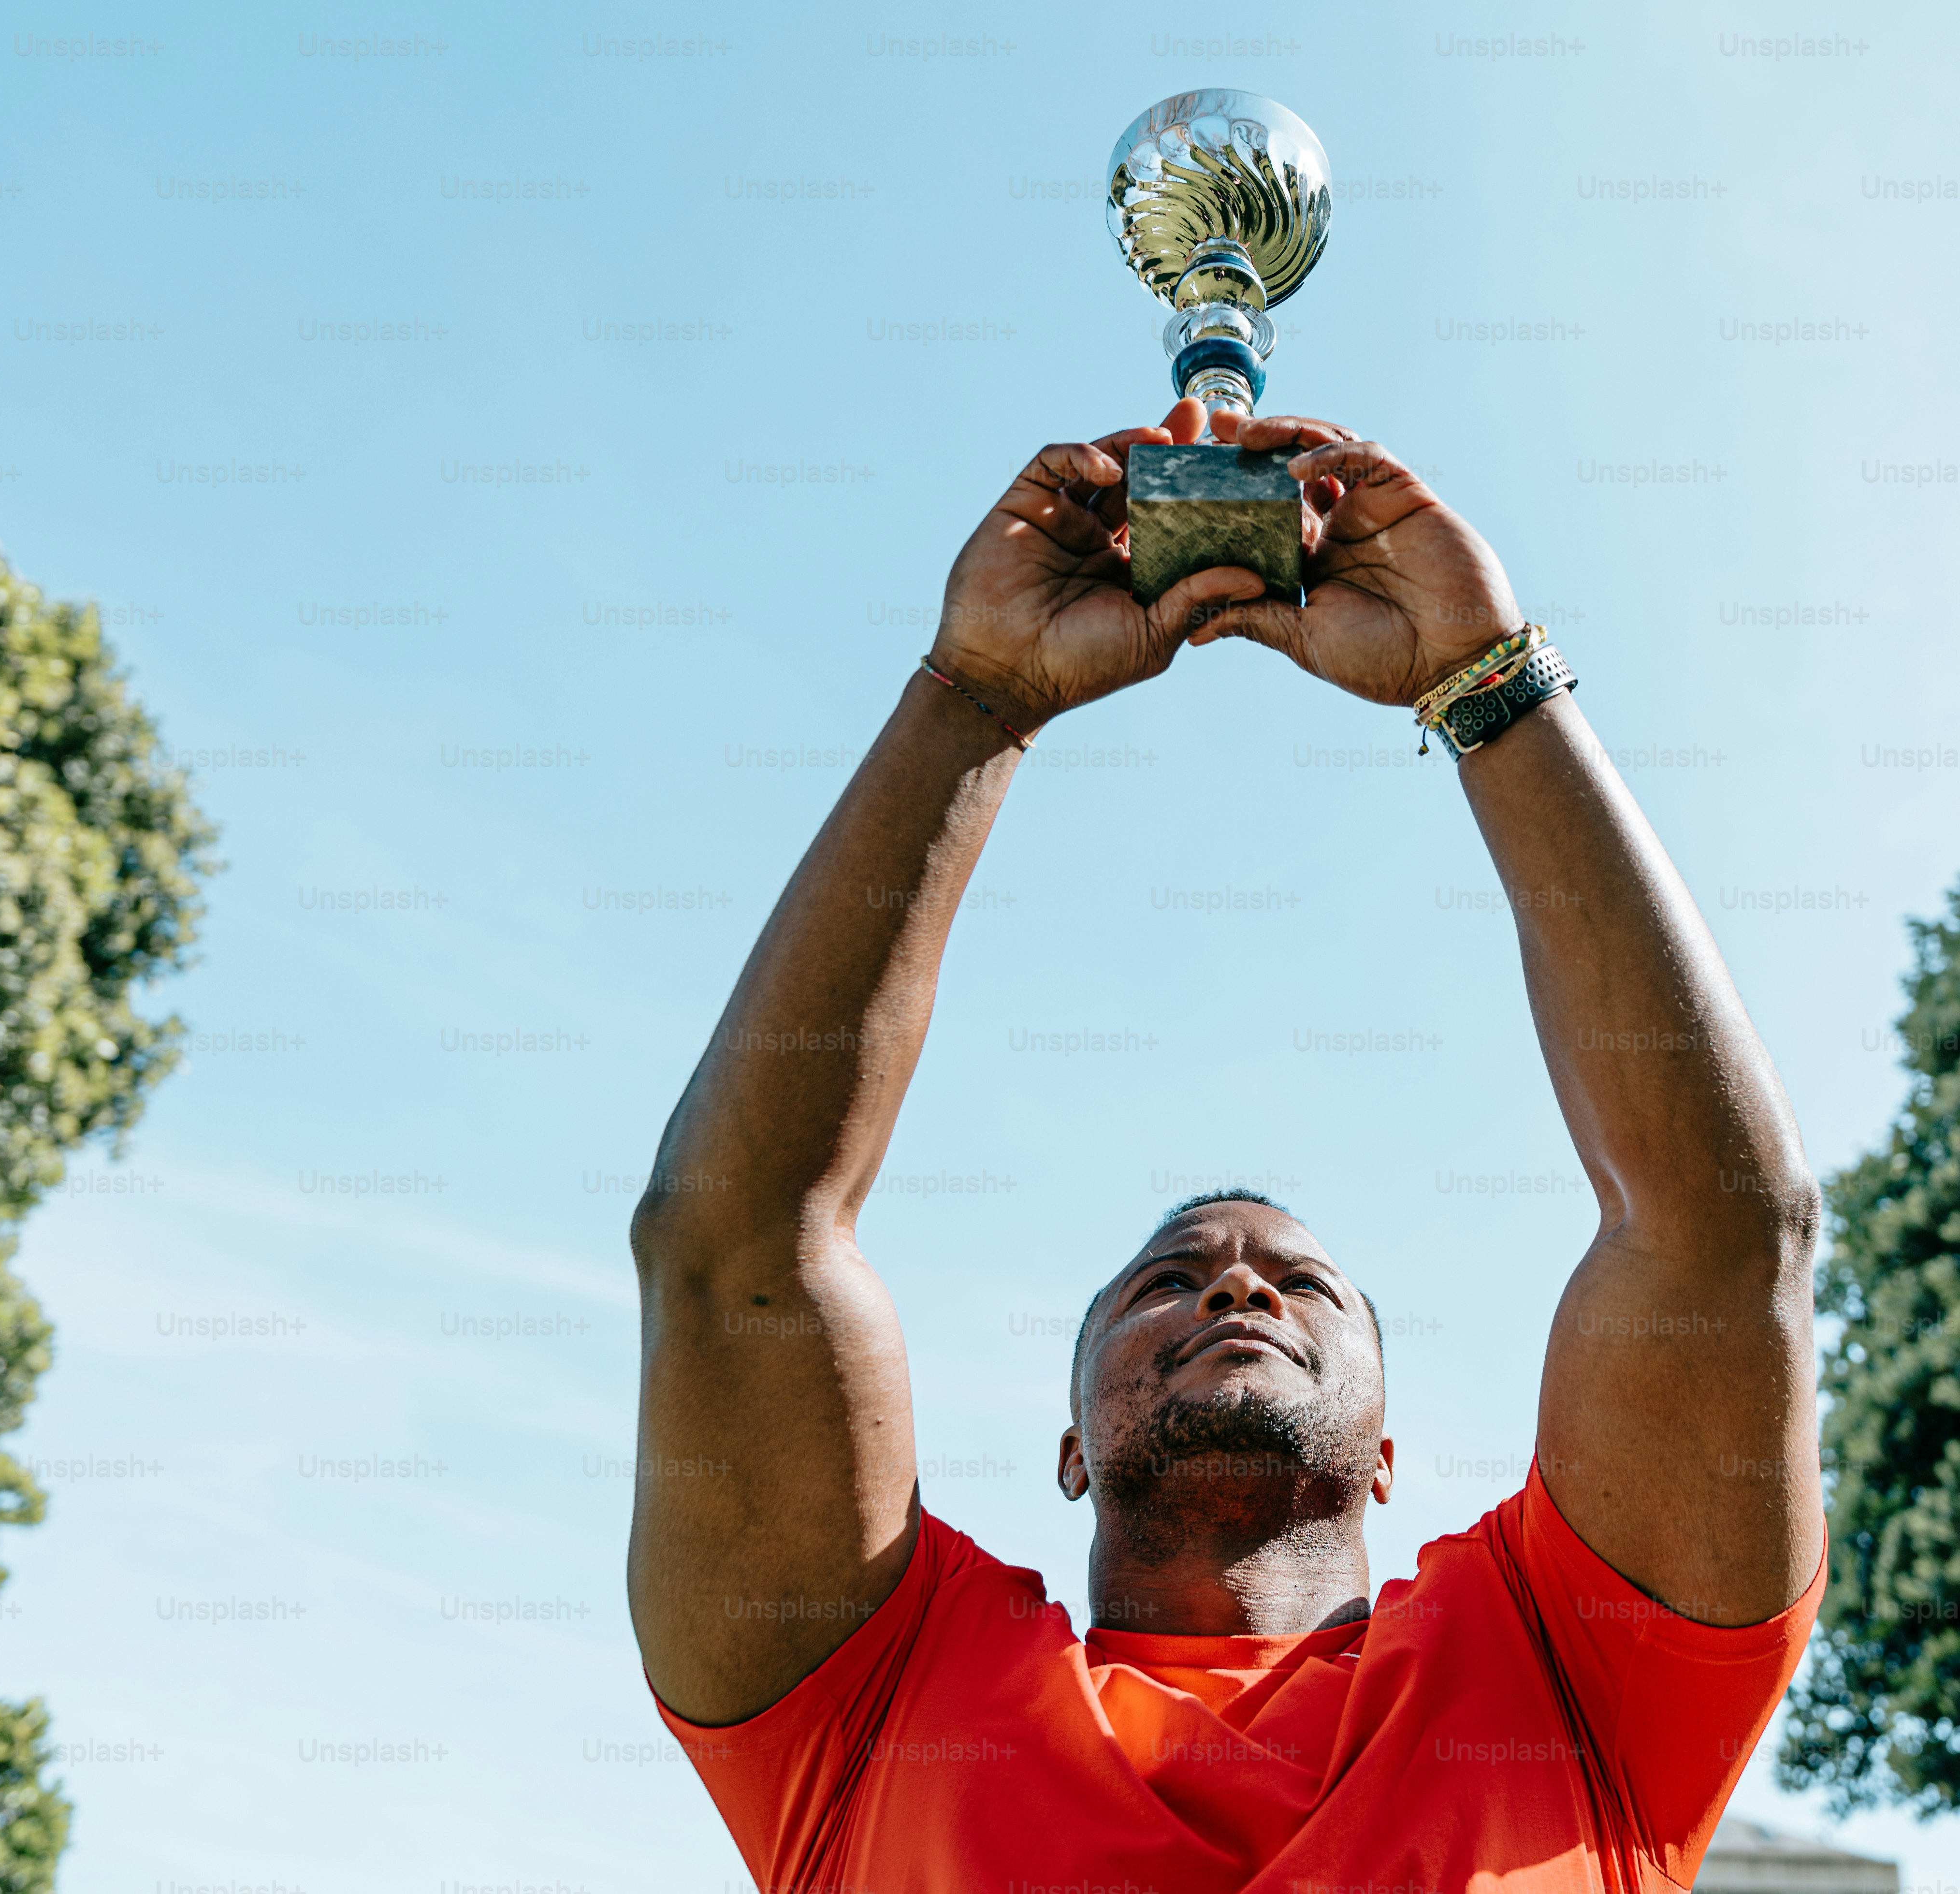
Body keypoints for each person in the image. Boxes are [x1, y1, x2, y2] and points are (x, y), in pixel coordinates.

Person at [625, 399, 1827, 1892]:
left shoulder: (1572, 1675)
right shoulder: (878, 1702)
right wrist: (973, 699)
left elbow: (1722, 1231)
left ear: (1391, 1454)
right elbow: (734, 1249)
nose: (1238, 1291)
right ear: (1071, 1446)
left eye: (1302, 1284)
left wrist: (1490, 682)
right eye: (1164, 1285)